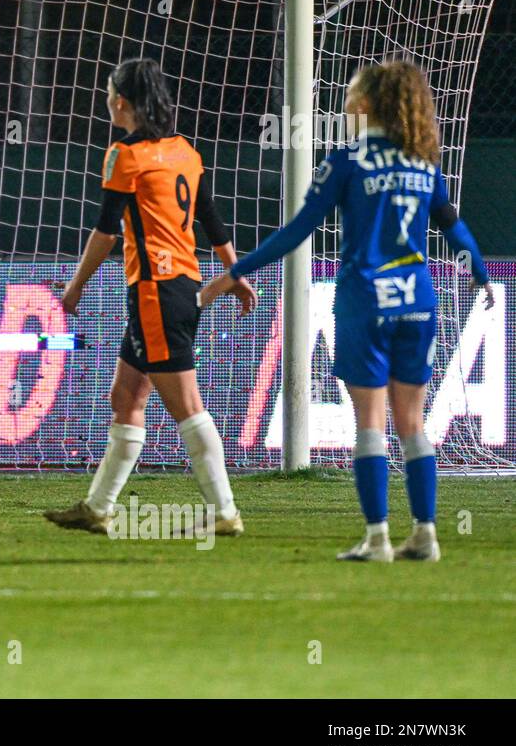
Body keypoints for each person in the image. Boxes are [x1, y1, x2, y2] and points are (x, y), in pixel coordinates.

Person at [201, 61, 493, 562]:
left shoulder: (346, 162)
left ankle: (377, 537)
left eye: (349, 97)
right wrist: (481, 272)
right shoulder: (424, 165)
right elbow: (454, 228)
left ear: (364, 105)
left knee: (371, 425)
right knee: (414, 423)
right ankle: (426, 533)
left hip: (365, 302)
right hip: (418, 301)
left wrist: (232, 274)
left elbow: (295, 233)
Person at [45, 58, 256, 535]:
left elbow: (106, 231)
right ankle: (98, 508)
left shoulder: (126, 154)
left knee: (185, 404)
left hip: (155, 293)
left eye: (107, 93)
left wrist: (75, 286)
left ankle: (224, 513)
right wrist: (234, 271)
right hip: (180, 286)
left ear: (121, 101)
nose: (106, 101)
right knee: (126, 396)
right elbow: (211, 217)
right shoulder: (186, 151)